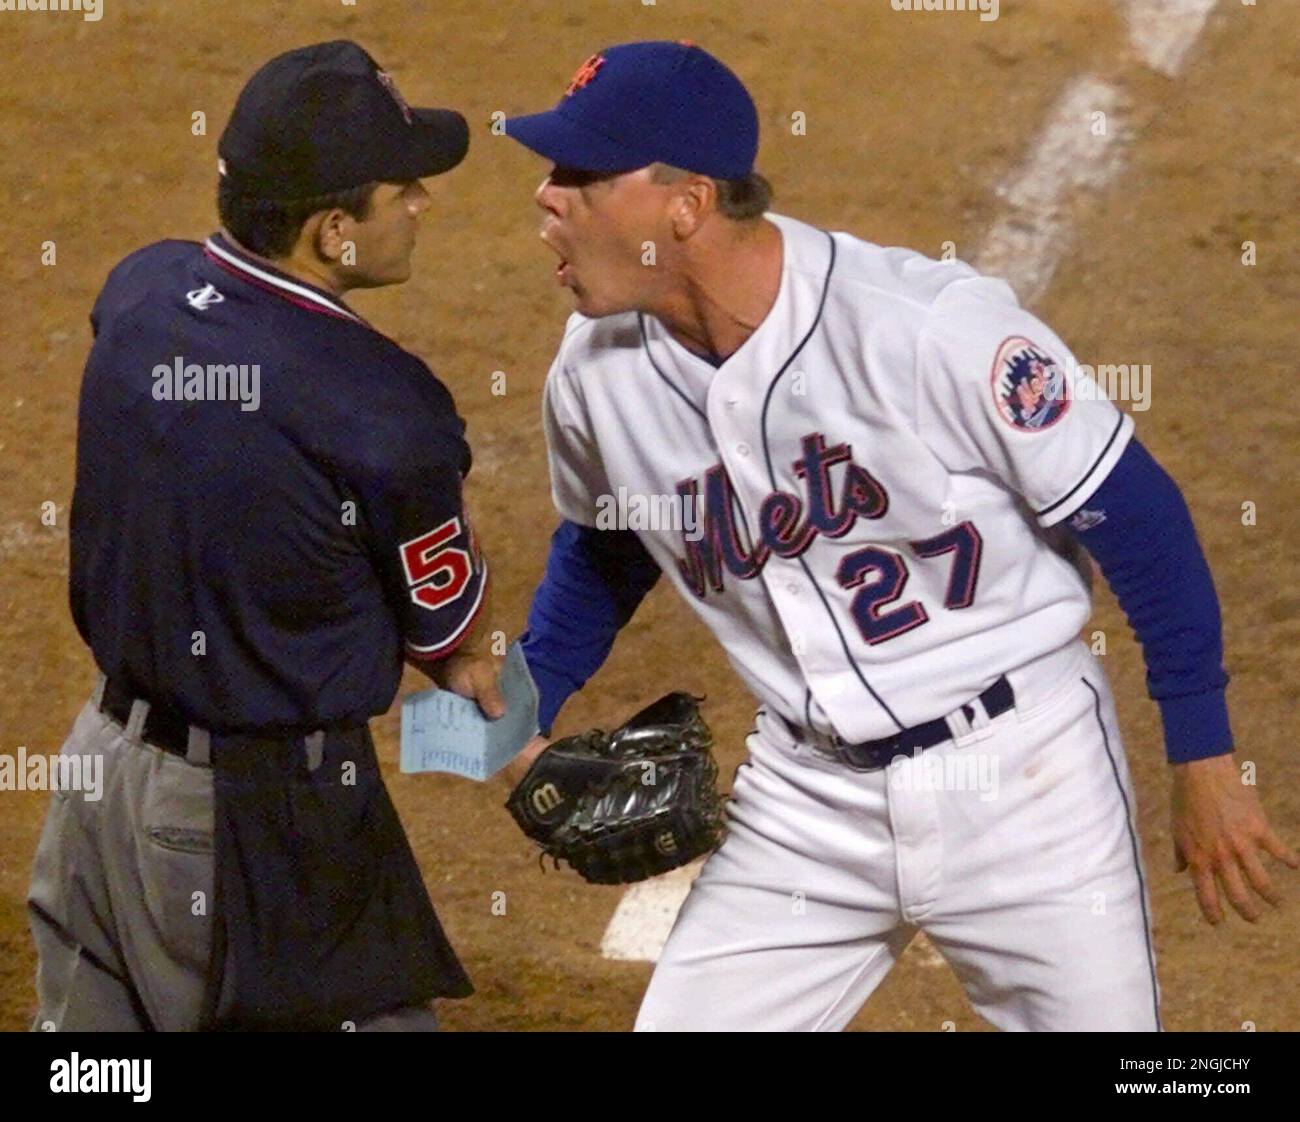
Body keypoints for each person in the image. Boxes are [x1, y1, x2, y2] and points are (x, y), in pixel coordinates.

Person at [503, 40, 1296, 1031]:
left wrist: (1205, 757)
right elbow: (609, 549)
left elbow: (1136, 519)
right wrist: (496, 717)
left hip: (1027, 782)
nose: (546, 197)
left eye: (579, 175)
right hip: (804, 802)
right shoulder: (593, 376)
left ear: (685, 205)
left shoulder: (924, 332)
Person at [28, 39, 504, 1032]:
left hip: (98, 779)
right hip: (252, 829)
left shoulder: (140, 291)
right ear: (333, 230)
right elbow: (448, 639)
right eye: (400, 188)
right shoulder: (384, 408)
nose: (422, 203)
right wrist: (526, 737)